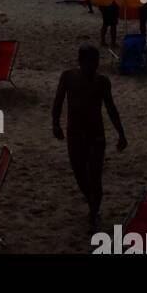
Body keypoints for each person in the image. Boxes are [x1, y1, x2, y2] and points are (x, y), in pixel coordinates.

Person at [52, 44, 127, 232]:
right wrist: (55, 124)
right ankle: (92, 201)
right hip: (75, 133)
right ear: (80, 62)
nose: (93, 66)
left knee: (95, 175)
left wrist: (121, 133)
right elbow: (58, 102)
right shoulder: (68, 77)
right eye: (89, 62)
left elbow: (111, 108)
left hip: (96, 135)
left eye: (95, 62)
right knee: (79, 174)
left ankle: (93, 212)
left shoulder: (102, 82)